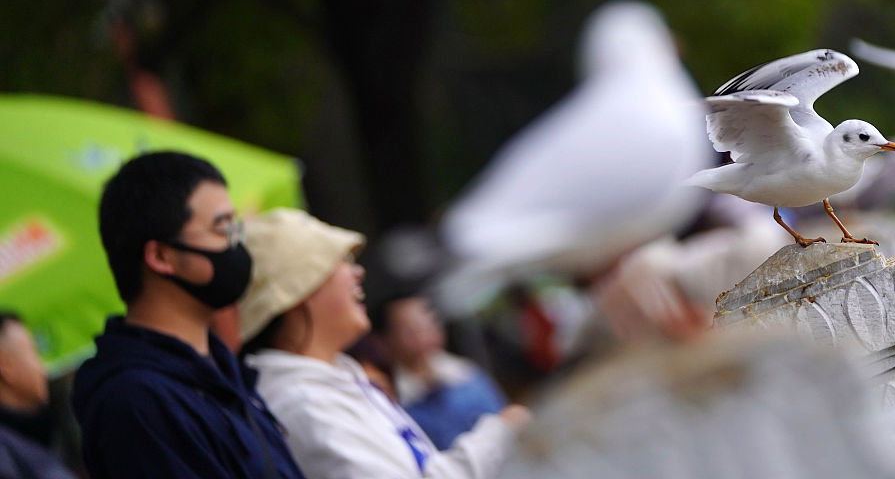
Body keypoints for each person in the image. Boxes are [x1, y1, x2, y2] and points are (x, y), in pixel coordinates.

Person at [239, 208, 529, 479]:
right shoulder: (303, 402)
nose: (357, 272)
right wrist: (503, 433)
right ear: (298, 289)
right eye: (339, 261)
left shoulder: (329, 381)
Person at [70, 151, 306, 479]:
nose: (236, 247)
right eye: (222, 230)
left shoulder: (219, 374)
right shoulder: (137, 403)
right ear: (161, 255)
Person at [377, 295, 508, 450]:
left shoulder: (465, 373)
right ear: (388, 340)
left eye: (427, 321)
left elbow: (503, 417)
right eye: (409, 328)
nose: (423, 331)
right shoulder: (398, 405)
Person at [0, 312, 76, 478]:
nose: (43, 368)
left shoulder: (43, 431)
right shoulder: (7, 453)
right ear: (5, 366)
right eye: (34, 351)